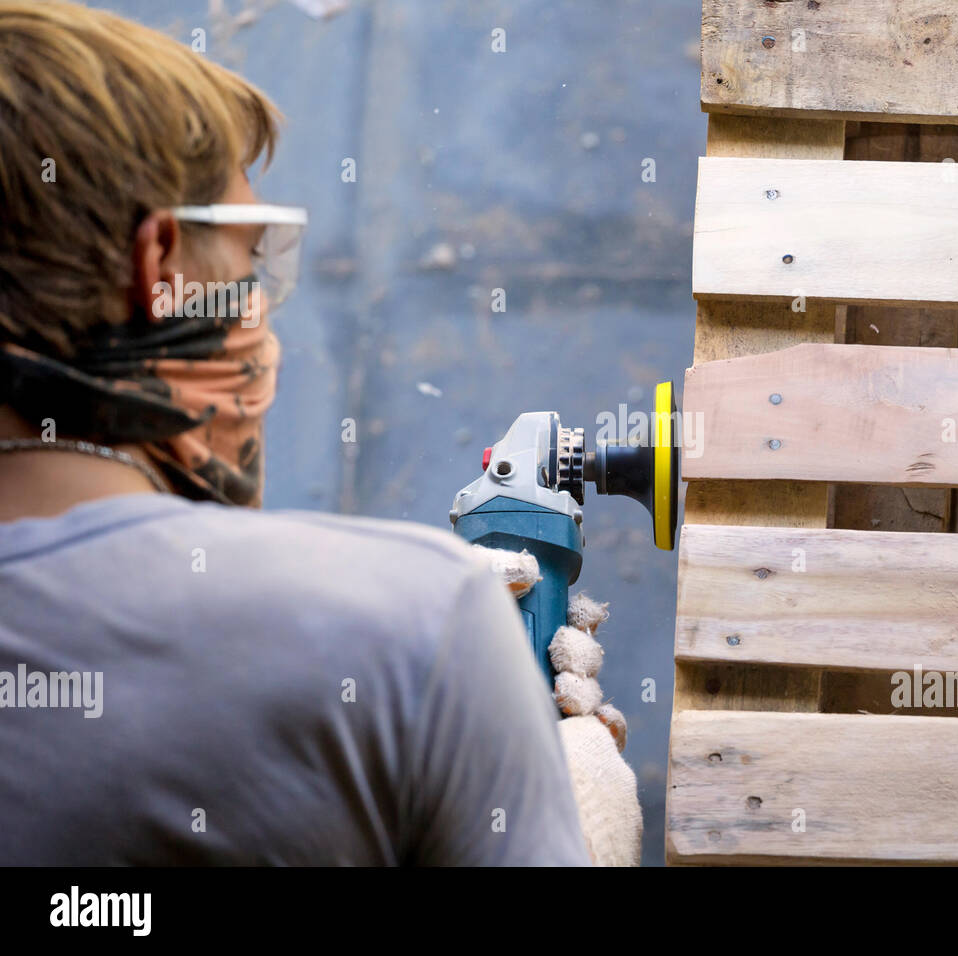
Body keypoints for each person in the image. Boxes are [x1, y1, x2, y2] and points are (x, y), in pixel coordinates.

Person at [0, 0, 640, 865]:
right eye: (247, 260)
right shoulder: (412, 624)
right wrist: (568, 814)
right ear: (161, 275)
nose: (264, 310)